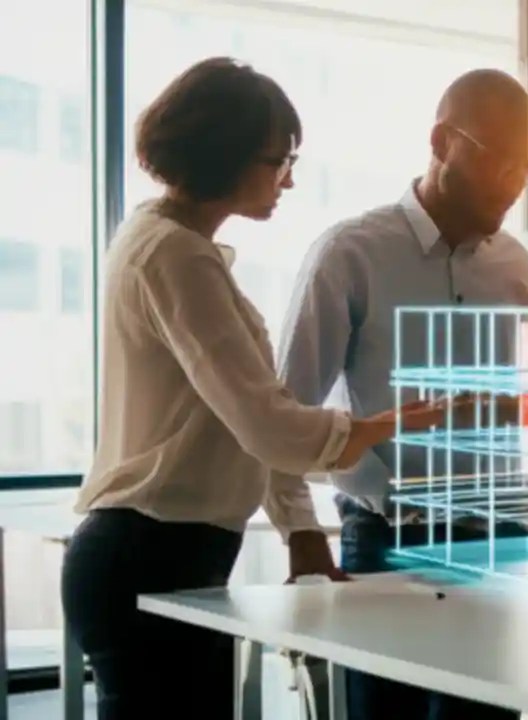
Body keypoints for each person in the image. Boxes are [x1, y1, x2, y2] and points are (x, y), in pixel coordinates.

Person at [60, 57, 440, 720]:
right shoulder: (174, 254)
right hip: (148, 553)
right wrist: (383, 425)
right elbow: (262, 420)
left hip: (165, 553)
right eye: (278, 160)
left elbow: (241, 418)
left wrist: (298, 528)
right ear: (224, 154)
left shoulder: (168, 243)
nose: (288, 179)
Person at [272, 68, 528, 720]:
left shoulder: (517, 267)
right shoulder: (351, 254)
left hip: (499, 542)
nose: (513, 182)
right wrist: (301, 532)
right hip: (388, 544)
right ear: (441, 142)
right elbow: (284, 413)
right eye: (498, 158)